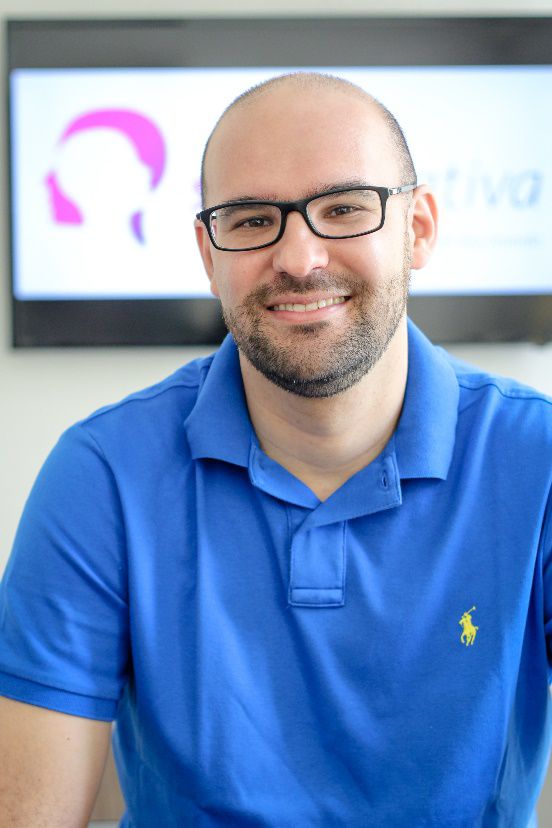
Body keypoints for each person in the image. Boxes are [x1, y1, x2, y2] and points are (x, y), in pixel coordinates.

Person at [0, 71, 551, 827]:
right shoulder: (102, 475)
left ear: (418, 228)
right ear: (208, 253)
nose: (299, 256)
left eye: (344, 208)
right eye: (254, 219)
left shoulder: (538, 460)